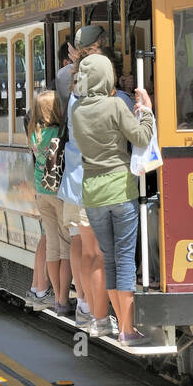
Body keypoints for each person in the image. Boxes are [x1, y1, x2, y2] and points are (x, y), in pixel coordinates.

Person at [71, 53, 154, 345]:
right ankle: (127, 330)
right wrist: (147, 110)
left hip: (92, 192)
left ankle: (121, 326)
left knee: (108, 259)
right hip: (120, 189)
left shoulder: (77, 110)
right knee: (125, 260)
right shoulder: (116, 104)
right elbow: (142, 138)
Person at [57, 26, 110, 331]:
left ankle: (85, 306)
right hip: (90, 180)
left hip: (73, 180)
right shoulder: (95, 90)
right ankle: (97, 315)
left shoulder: (72, 82)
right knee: (95, 252)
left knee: (78, 245)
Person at [28, 89, 73, 314]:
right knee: (66, 248)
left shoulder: (34, 133)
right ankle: (63, 299)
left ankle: (56, 296)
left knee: (53, 247)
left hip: (41, 192)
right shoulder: (60, 130)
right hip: (58, 192)